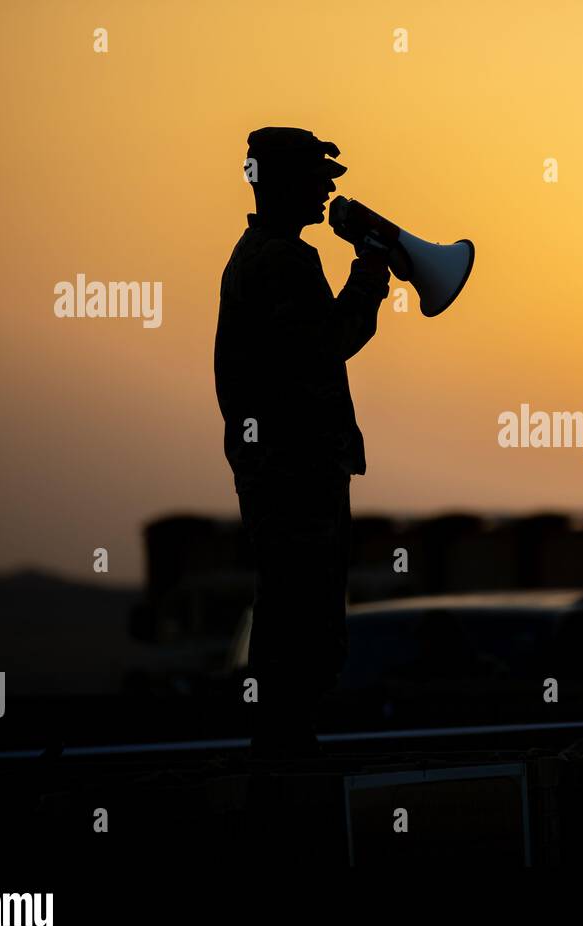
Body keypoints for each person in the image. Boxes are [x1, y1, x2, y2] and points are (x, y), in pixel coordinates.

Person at [214, 127, 390, 758]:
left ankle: (283, 741)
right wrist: (371, 271)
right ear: (283, 182)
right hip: (297, 466)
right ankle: (287, 749)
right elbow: (327, 345)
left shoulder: (257, 252)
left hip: (282, 464)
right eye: (317, 179)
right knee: (306, 616)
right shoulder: (285, 259)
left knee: (291, 607)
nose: (327, 192)